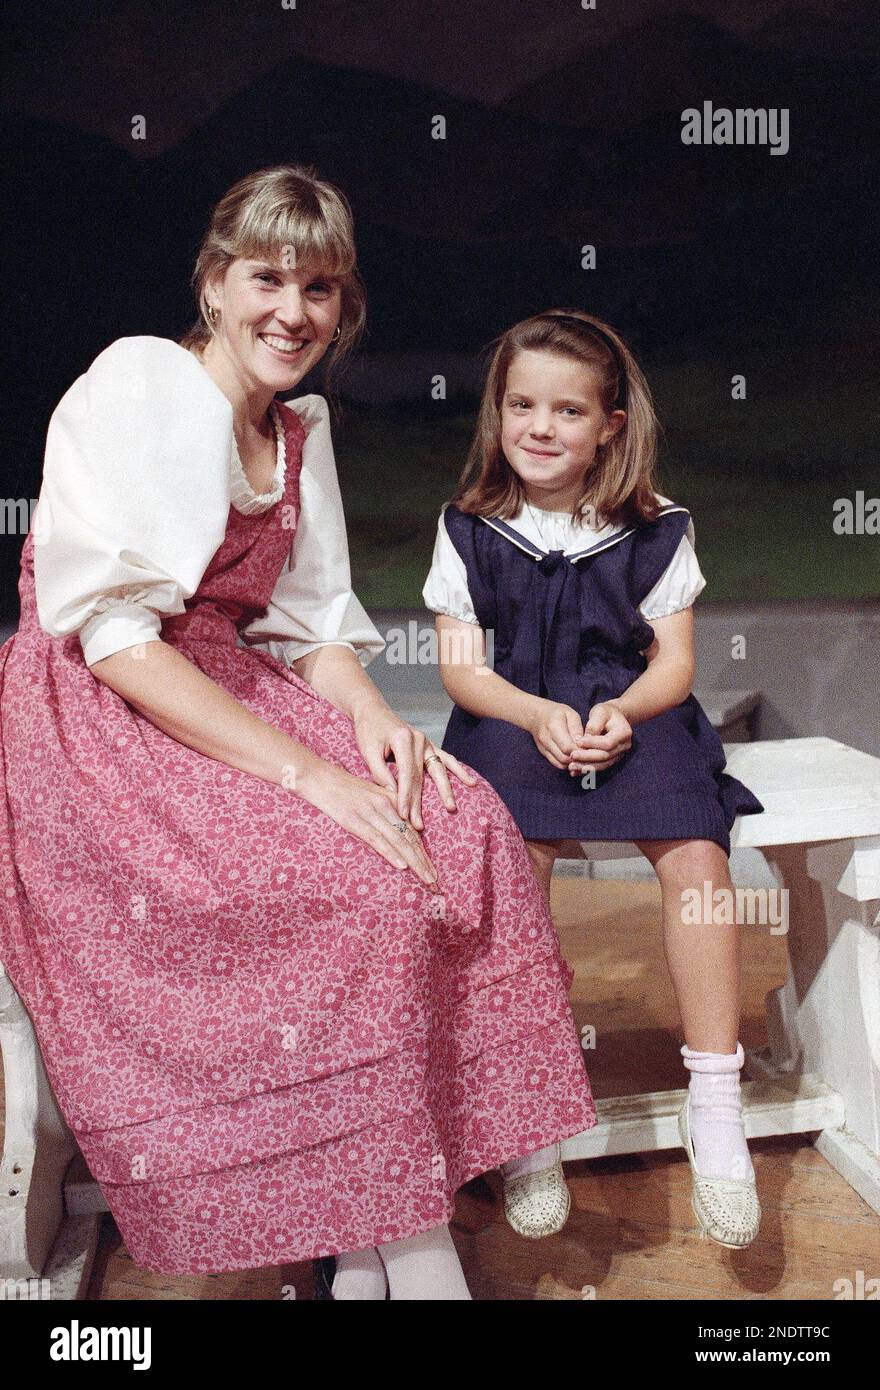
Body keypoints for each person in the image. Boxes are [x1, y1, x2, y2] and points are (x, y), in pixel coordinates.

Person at [0, 169, 598, 1300]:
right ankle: (401, 1244)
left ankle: (387, 1216)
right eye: (267, 278)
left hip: (221, 676)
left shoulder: (296, 430)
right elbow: (118, 639)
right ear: (216, 284)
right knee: (354, 876)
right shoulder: (139, 385)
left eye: (320, 288)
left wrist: (370, 718)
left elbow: (314, 626)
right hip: (100, 708)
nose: (293, 310)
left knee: (460, 814)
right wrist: (313, 777)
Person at [422, 309, 766, 1250]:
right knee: (507, 846)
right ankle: (528, 1119)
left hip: (634, 714)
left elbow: (675, 664)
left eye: (568, 411)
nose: (540, 427)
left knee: (696, 852)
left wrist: (624, 715)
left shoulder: (656, 529)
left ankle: (716, 1103)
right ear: (496, 412)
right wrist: (534, 715)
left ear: (611, 424)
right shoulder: (469, 528)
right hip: (512, 712)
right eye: (521, 405)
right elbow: (464, 671)